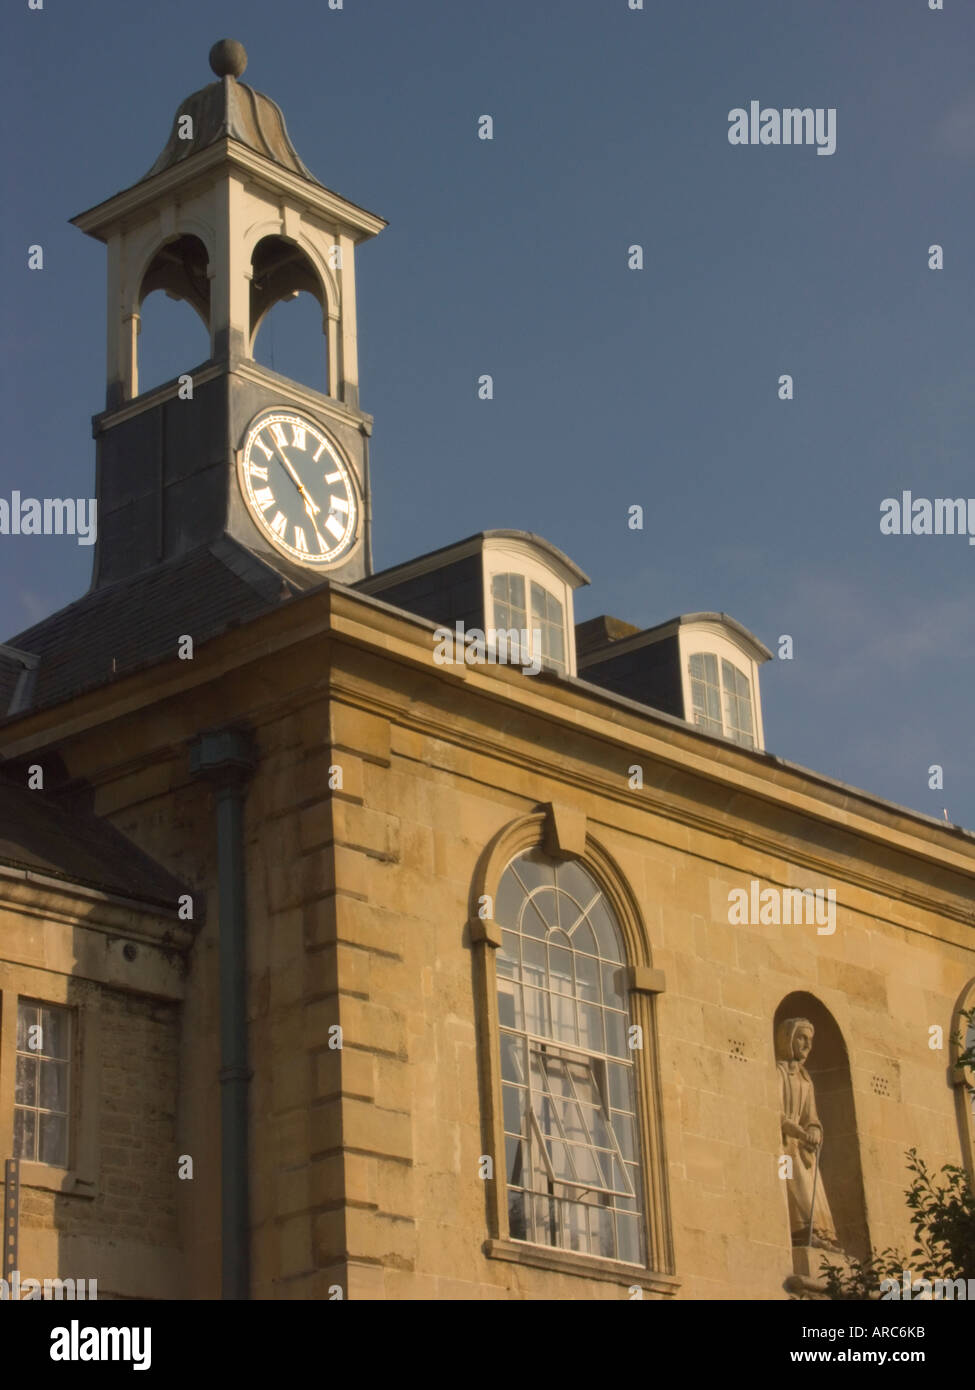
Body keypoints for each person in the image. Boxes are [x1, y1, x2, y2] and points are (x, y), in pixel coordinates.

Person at [776, 1017, 842, 1250]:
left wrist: (813, 1131)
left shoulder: (806, 1080)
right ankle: (803, 1232)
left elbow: (811, 1117)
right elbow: (778, 1115)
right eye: (801, 1038)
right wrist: (802, 1134)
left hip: (803, 1146)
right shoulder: (778, 1072)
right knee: (799, 1187)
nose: (806, 1045)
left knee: (812, 1187)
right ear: (788, 1039)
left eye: (810, 1040)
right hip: (786, 1143)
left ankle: (819, 1235)